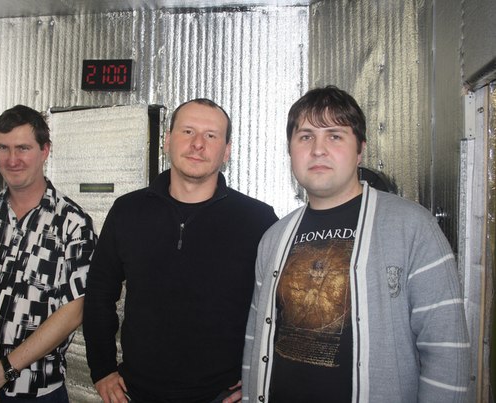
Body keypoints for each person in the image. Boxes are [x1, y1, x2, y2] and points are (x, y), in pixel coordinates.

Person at [241, 86, 471, 402]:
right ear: (290, 150)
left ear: (360, 149)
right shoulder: (274, 237)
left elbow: (446, 349)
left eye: (334, 136)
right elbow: (255, 338)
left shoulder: (413, 227)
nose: (318, 149)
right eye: (306, 136)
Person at [83, 98, 278, 403]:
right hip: (136, 393)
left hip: (221, 395)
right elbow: (98, 293)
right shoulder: (128, 211)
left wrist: (259, 377)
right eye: (187, 131)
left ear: (227, 151)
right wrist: (102, 368)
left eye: (211, 135)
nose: (198, 144)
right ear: (167, 141)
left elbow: (281, 309)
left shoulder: (258, 220)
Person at [0, 105, 97, 402]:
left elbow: (74, 310)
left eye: (23, 148)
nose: (12, 160)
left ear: (45, 150)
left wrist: (1, 372)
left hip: (35, 389)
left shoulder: (73, 223)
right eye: (3, 148)